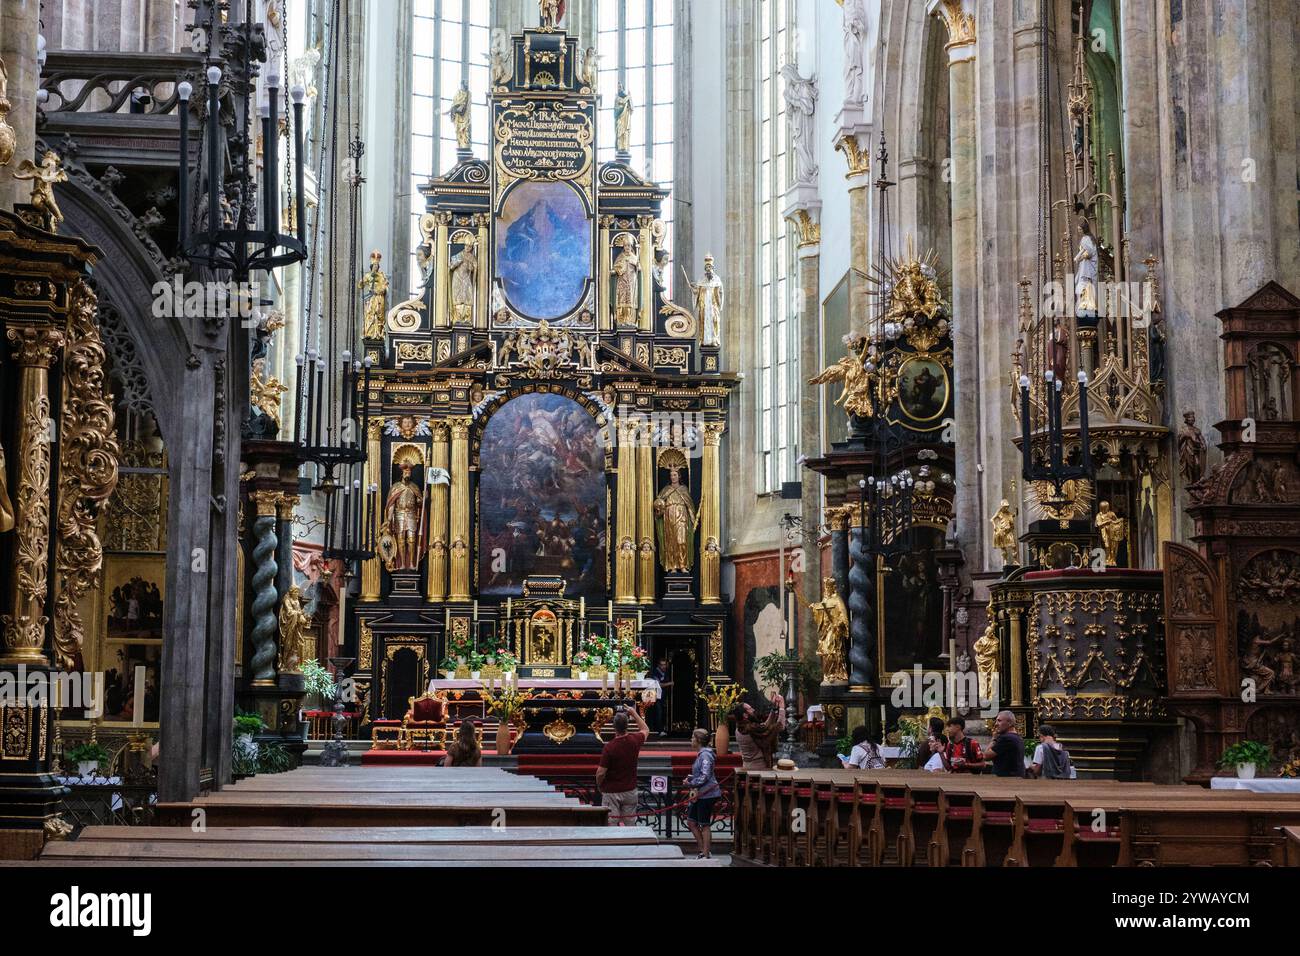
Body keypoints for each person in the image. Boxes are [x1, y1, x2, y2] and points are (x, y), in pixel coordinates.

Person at [596, 705, 649, 826]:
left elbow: (601, 772)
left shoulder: (610, 747)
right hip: (629, 789)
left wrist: (599, 785)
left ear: (614, 727)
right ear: (627, 725)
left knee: (611, 823)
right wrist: (634, 713)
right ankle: (630, 844)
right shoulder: (634, 740)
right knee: (630, 823)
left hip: (611, 791)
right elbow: (646, 730)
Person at [683, 728, 722, 859]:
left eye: (692, 738)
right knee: (691, 822)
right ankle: (703, 850)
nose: (691, 740)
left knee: (704, 824)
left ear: (698, 740)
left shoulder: (705, 755)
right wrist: (691, 778)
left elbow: (705, 775)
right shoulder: (702, 754)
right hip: (701, 793)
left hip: (707, 794)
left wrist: (690, 783)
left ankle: (705, 853)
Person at [733, 696, 785, 771]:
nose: (753, 710)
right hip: (760, 769)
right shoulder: (751, 729)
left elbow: (764, 726)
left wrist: (773, 709)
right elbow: (780, 726)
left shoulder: (739, 728)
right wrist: (782, 707)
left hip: (747, 766)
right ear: (745, 715)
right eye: (750, 709)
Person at [987, 710, 1026, 778]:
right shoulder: (1018, 738)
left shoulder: (1006, 738)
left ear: (1009, 723)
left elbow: (986, 756)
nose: (996, 724)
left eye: (999, 721)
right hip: (1015, 777)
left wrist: (994, 738)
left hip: (1005, 780)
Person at [647, 656, 670, 736]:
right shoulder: (655, 672)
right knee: (658, 713)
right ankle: (658, 731)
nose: (664, 666)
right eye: (662, 665)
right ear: (659, 665)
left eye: (665, 664)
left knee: (662, 712)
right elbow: (658, 684)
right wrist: (669, 683)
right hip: (655, 696)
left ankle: (661, 729)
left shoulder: (666, 672)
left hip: (663, 696)